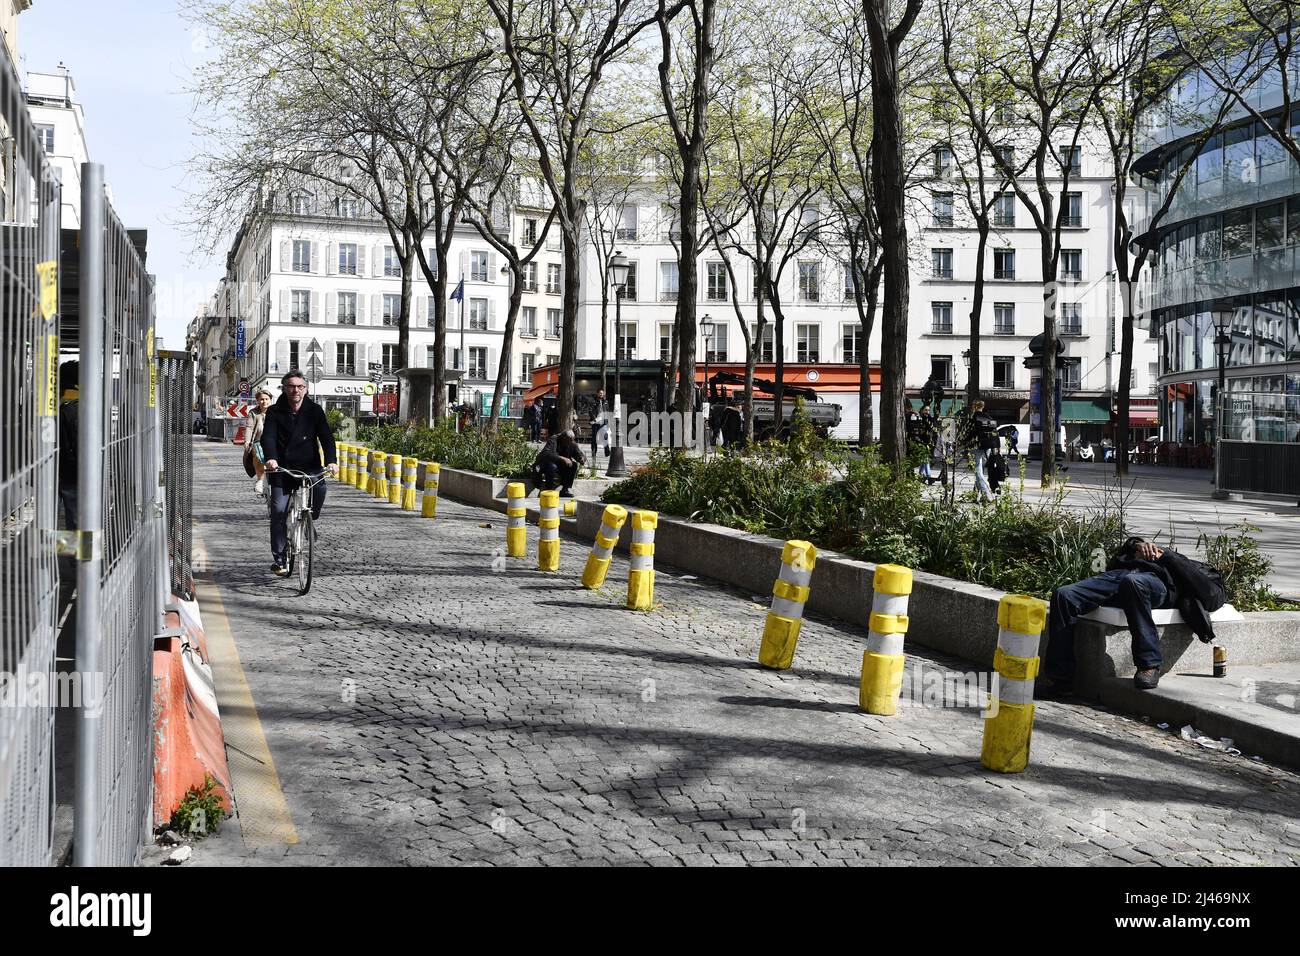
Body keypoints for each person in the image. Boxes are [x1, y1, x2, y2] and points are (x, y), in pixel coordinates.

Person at [1039, 537, 1228, 696]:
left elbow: (1212, 597)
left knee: (1134, 583)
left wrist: (1168, 557)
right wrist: (1137, 545)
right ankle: (1061, 681)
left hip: (1156, 583)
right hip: (1123, 575)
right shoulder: (1140, 555)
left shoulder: (1195, 568)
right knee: (1064, 595)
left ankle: (1149, 664)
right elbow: (1118, 558)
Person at [261, 371, 338, 577]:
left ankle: (309, 518)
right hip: (282, 468)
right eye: (291, 386)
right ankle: (280, 557)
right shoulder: (275, 412)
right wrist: (271, 458)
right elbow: (267, 437)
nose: (296, 390)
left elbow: (327, 438)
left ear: (306, 389)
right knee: (278, 512)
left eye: (300, 386)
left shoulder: (315, 411)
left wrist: (331, 460)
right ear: (285, 388)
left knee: (320, 486)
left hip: (309, 465)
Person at [57, 361, 80, 530]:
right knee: (76, 518)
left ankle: (51, 552)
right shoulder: (81, 407)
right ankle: (79, 555)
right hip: (75, 472)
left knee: (53, 516)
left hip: (57, 470)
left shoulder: (56, 405)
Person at [532, 428, 587, 497]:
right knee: (552, 466)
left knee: (573, 465)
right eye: (568, 441)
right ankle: (549, 490)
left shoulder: (571, 443)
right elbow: (547, 453)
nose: (570, 443)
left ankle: (565, 489)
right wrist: (563, 458)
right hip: (545, 464)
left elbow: (579, 454)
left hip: (559, 465)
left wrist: (582, 458)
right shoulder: (554, 439)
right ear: (563, 438)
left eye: (571, 441)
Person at [965, 400, 1000, 503]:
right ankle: (978, 495)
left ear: (974, 407)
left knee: (978, 470)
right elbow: (995, 432)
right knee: (980, 470)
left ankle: (987, 494)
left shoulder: (973, 418)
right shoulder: (988, 417)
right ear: (983, 407)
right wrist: (998, 446)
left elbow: (969, 433)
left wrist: (964, 443)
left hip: (977, 446)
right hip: (988, 446)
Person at [244, 387, 274, 496]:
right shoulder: (253, 413)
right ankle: (260, 480)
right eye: (261, 399)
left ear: (270, 400)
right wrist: (247, 441)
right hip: (258, 442)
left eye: (266, 399)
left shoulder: (276, 411)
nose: (264, 401)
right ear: (257, 401)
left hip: (274, 441)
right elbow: (249, 428)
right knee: (258, 455)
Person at [589, 388, 610, 459]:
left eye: (602, 393)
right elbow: (590, 411)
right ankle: (594, 453)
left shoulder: (605, 401)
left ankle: (607, 453)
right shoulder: (593, 401)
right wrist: (594, 418)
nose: (601, 394)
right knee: (594, 439)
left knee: (605, 437)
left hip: (603, 423)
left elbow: (607, 411)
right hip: (595, 423)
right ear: (597, 393)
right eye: (600, 393)